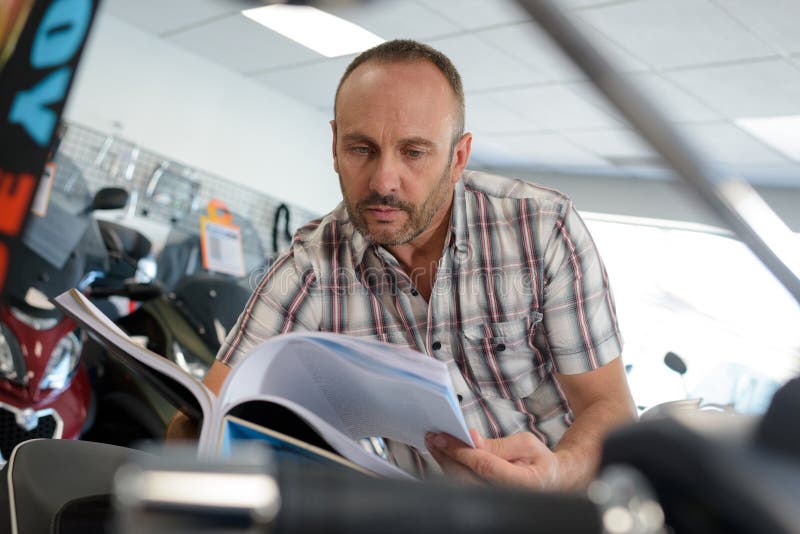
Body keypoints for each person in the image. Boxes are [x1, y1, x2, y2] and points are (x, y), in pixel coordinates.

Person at [170, 39, 637, 490]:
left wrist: (555, 474)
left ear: (458, 157)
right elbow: (203, 419)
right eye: (361, 149)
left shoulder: (542, 228)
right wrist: (205, 438)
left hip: (569, 507)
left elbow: (609, 405)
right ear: (334, 145)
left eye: (413, 152)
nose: (383, 181)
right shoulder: (309, 269)